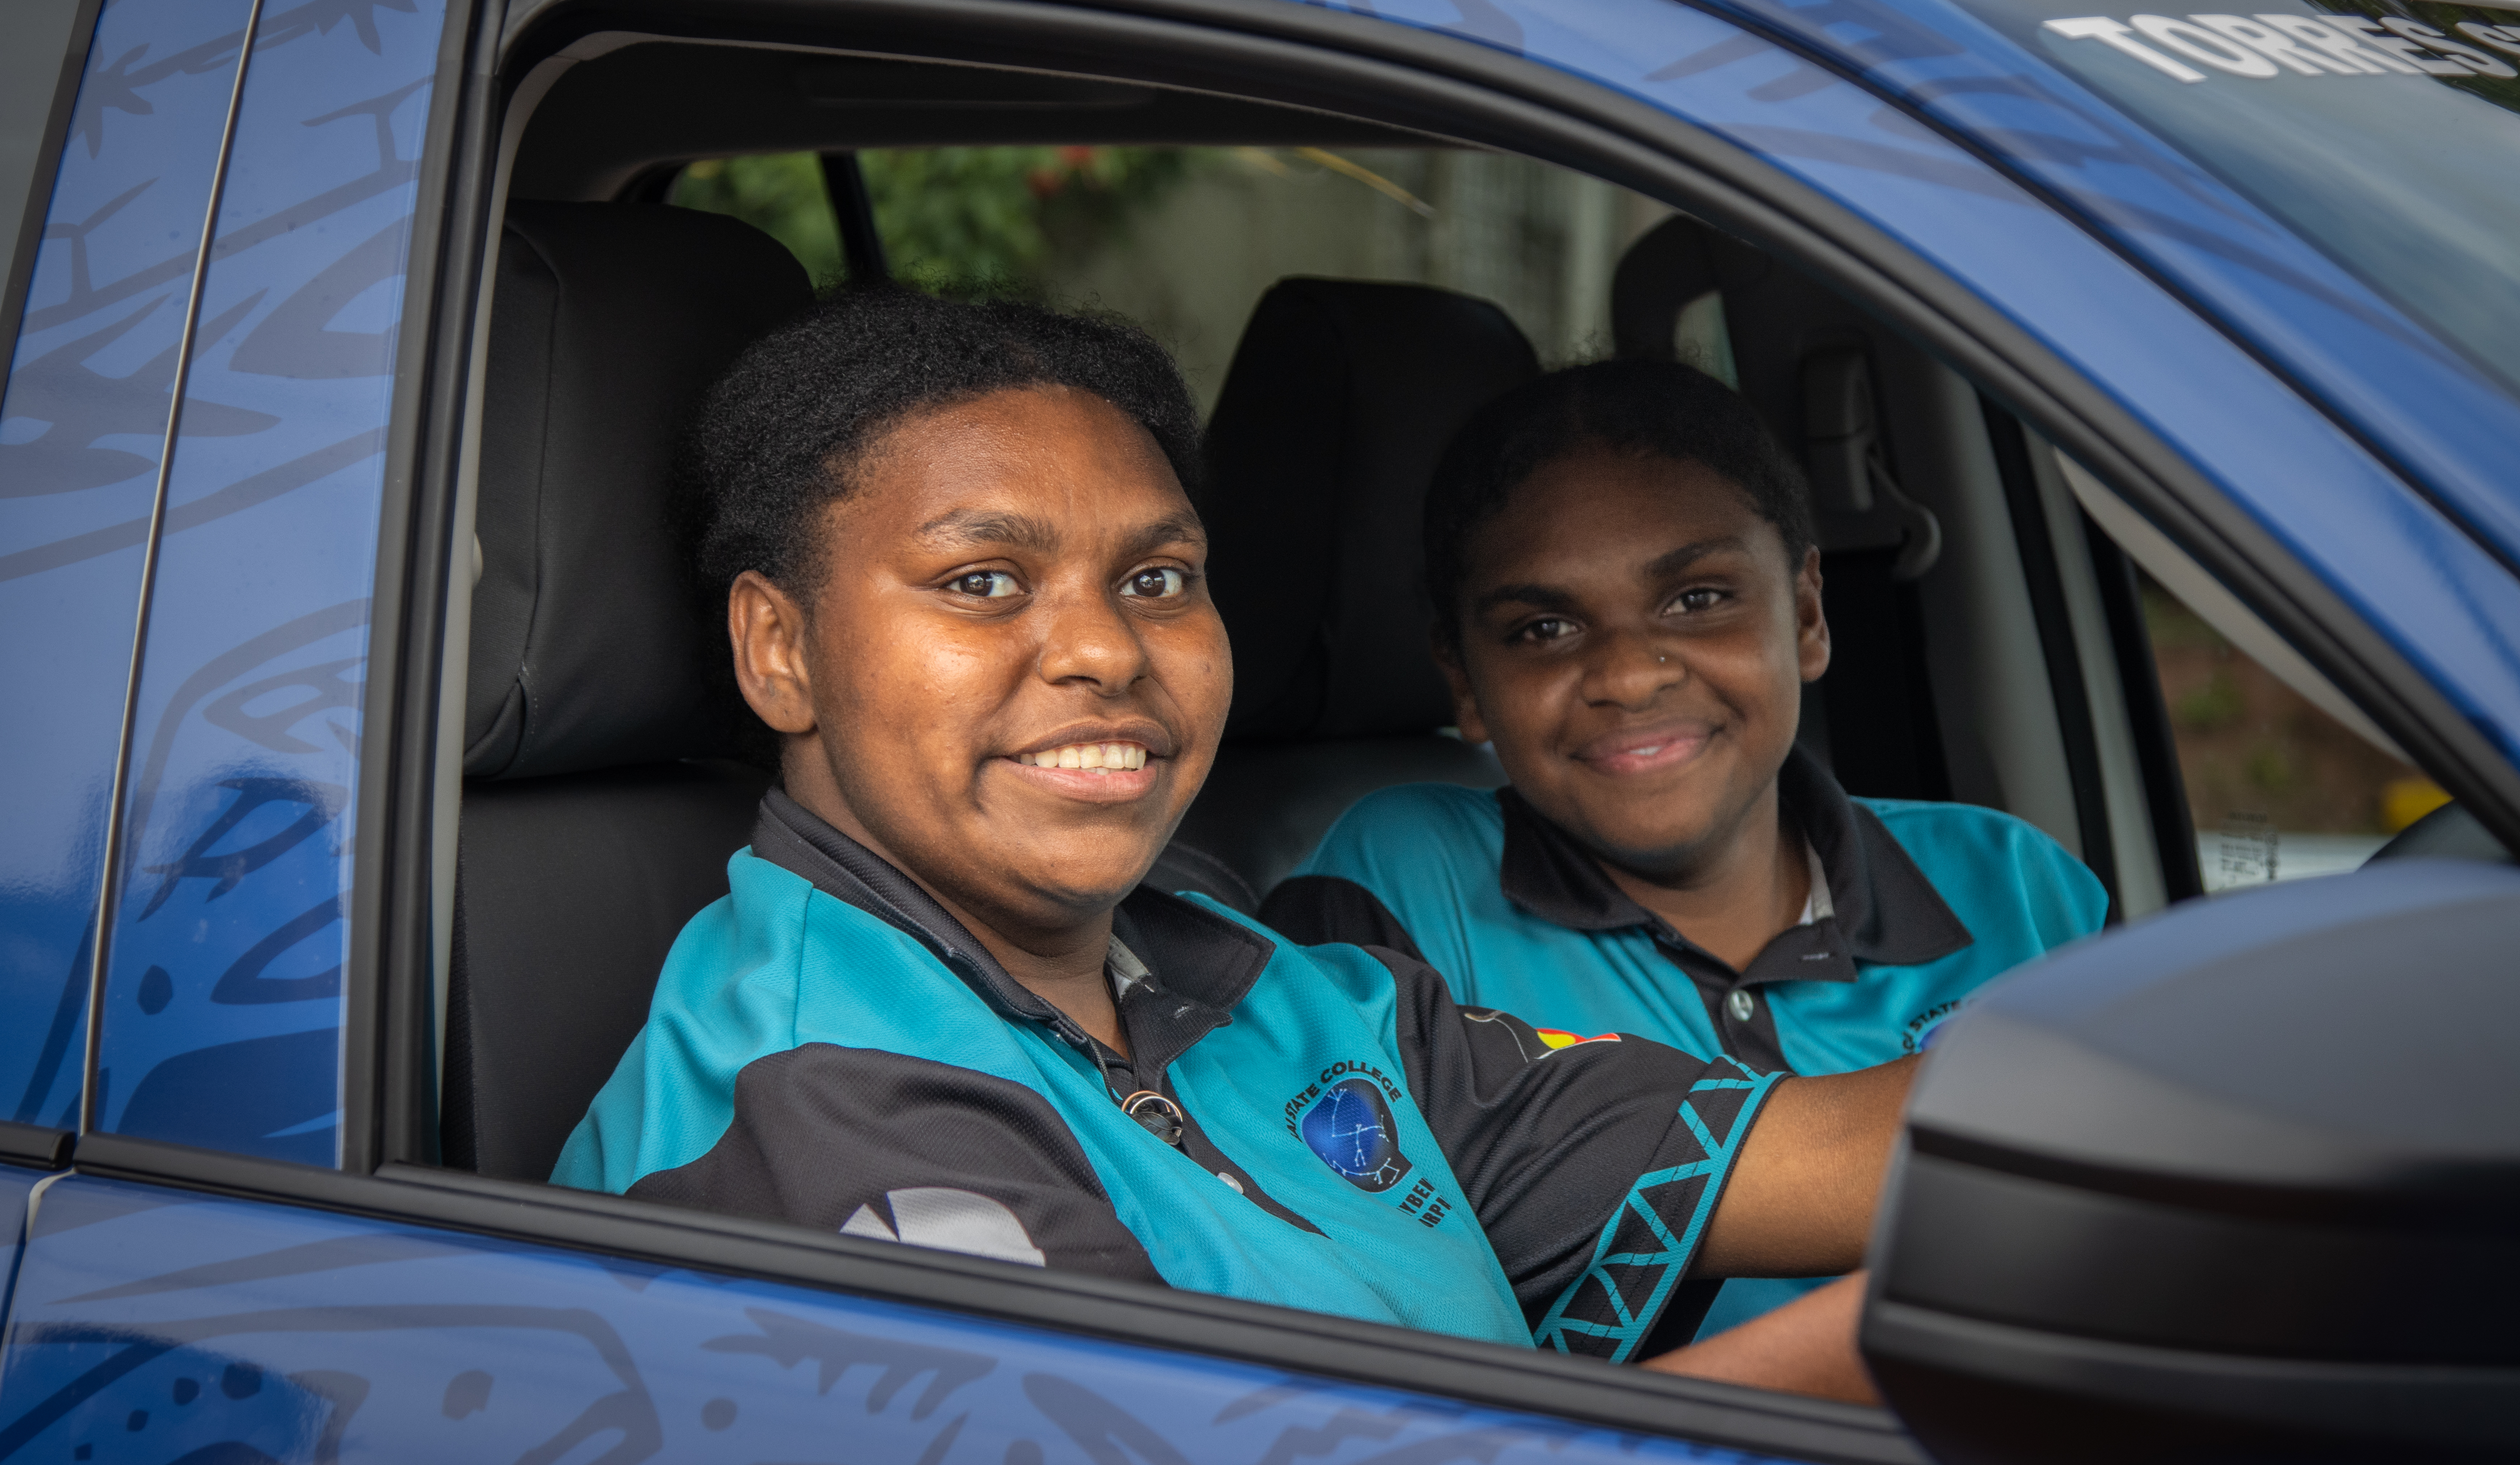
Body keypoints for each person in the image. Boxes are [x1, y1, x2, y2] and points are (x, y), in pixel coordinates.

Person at [556, 288, 1913, 1400]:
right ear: (779, 650)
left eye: (1157, 580)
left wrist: (2108, 1116)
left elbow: (1809, 1151)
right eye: (984, 583)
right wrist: (1920, 1343)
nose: (1104, 648)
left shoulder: (1271, 984)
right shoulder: (822, 1103)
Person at [1260, 359, 2107, 1339]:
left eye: (1697, 600)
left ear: (1806, 614)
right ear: (1463, 680)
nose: (1625, 673)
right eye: (1543, 628)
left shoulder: (2012, 883)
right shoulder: (1400, 884)